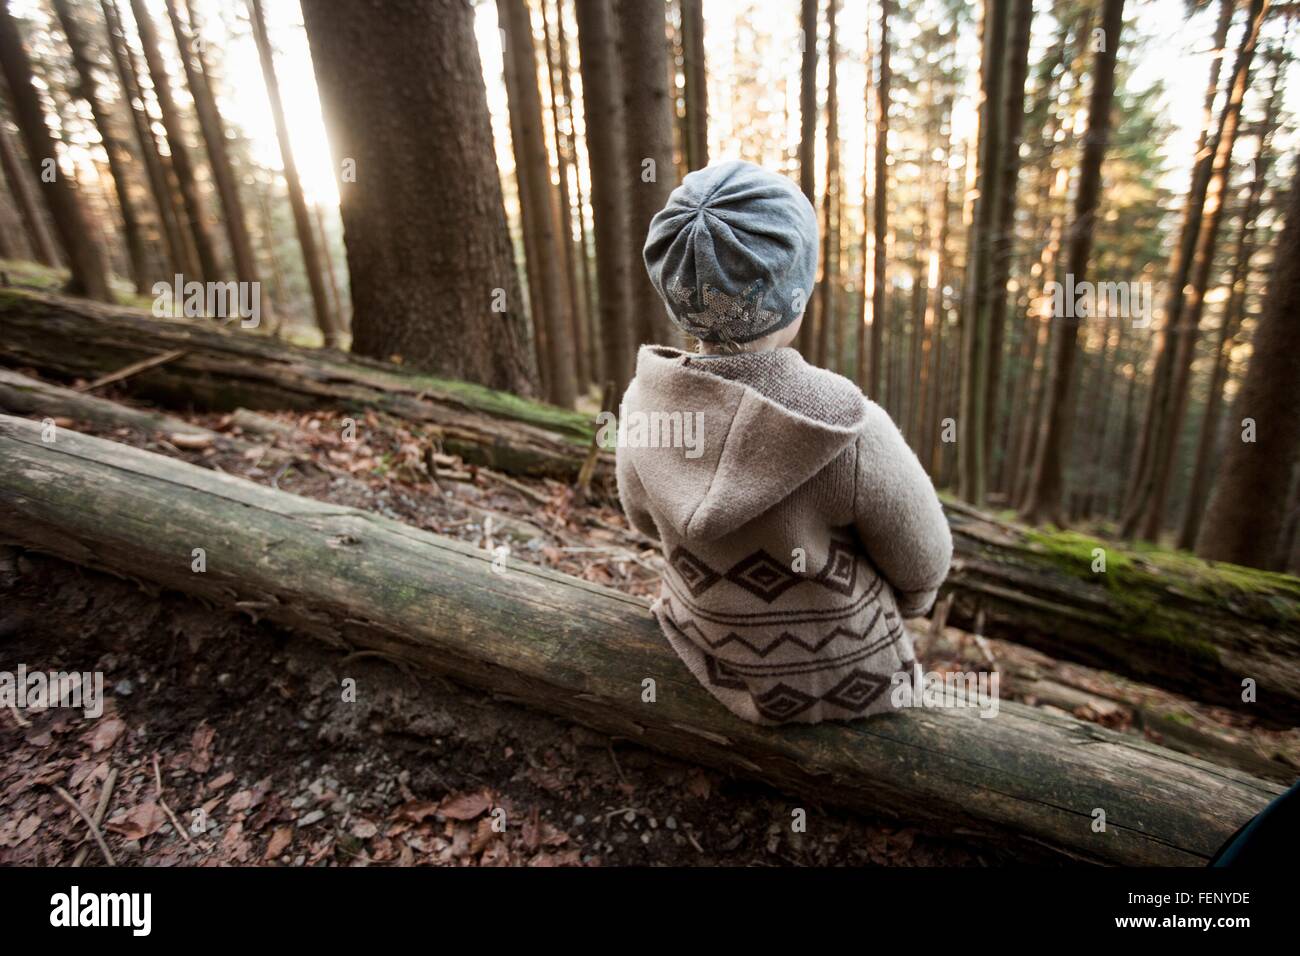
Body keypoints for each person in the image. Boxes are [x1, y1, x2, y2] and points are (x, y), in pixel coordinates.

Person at [615, 160, 952, 725]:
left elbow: (643, 520)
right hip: (853, 681)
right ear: (795, 293)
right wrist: (912, 604)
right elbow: (923, 557)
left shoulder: (643, 407)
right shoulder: (847, 428)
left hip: (711, 654)